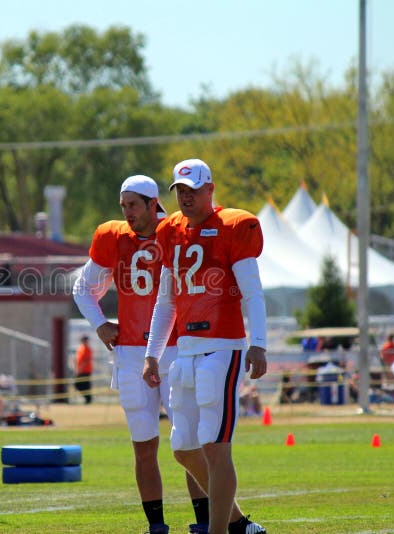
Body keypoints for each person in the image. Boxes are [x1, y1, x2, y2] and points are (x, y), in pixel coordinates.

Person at [73, 174, 255, 534]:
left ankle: (206, 521)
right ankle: (157, 525)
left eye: (133, 205)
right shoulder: (113, 237)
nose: (127, 213)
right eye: (123, 206)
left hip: (175, 349)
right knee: (143, 443)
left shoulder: (174, 230)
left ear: (153, 203)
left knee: (190, 442)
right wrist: (99, 323)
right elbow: (82, 287)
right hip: (129, 352)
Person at [143, 159, 268, 534]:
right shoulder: (171, 232)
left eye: (192, 190)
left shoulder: (233, 226)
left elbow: (252, 293)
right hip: (187, 349)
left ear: (209, 189)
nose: (185, 197)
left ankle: (219, 531)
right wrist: (152, 352)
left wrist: (258, 344)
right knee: (183, 446)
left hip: (223, 347)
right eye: (180, 191)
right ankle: (238, 524)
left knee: (215, 446)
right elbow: (166, 301)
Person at [74, 336, 93, 404]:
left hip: (85, 371)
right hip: (80, 370)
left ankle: (88, 399)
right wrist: (77, 369)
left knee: (85, 386)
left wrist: (80, 370)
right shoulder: (80, 348)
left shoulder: (87, 349)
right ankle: (87, 398)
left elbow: (86, 360)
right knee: (78, 385)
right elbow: (77, 359)